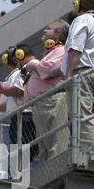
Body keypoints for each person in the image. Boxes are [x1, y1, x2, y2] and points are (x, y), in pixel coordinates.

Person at [64, 0, 94, 154]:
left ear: (77, 6)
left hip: (83, 73)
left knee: (82, 116)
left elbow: (76, 48)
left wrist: (68, 75)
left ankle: (91, 152)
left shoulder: (81, 20)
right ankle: (88, 150)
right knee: (90, 115)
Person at [26, 21, 71, 158]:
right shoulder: (52, 52)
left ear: (57, 34)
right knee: (45, 145)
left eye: (49, 29)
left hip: (52, 100)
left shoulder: (62, 50)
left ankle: (56, 171)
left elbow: (49, 70)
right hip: (43, 102)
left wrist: (34, 64)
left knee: (56, 143)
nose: (44, 31)